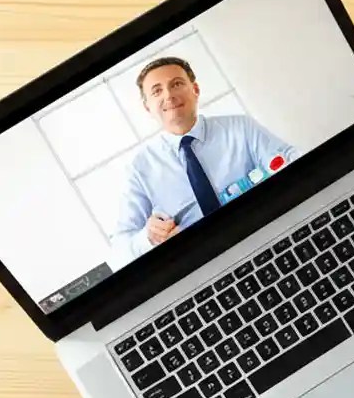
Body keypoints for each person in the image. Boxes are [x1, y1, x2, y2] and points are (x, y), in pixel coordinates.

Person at [109, 56, 299, 263]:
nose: (169, 95)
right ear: (148, 108)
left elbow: (294, 162)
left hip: (267, 234)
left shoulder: (241, 128)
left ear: (195, 90)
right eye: (157, 91)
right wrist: (148, 238)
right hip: (199, 263)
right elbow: (119, 253)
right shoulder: (139, 169)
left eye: (177, 84)